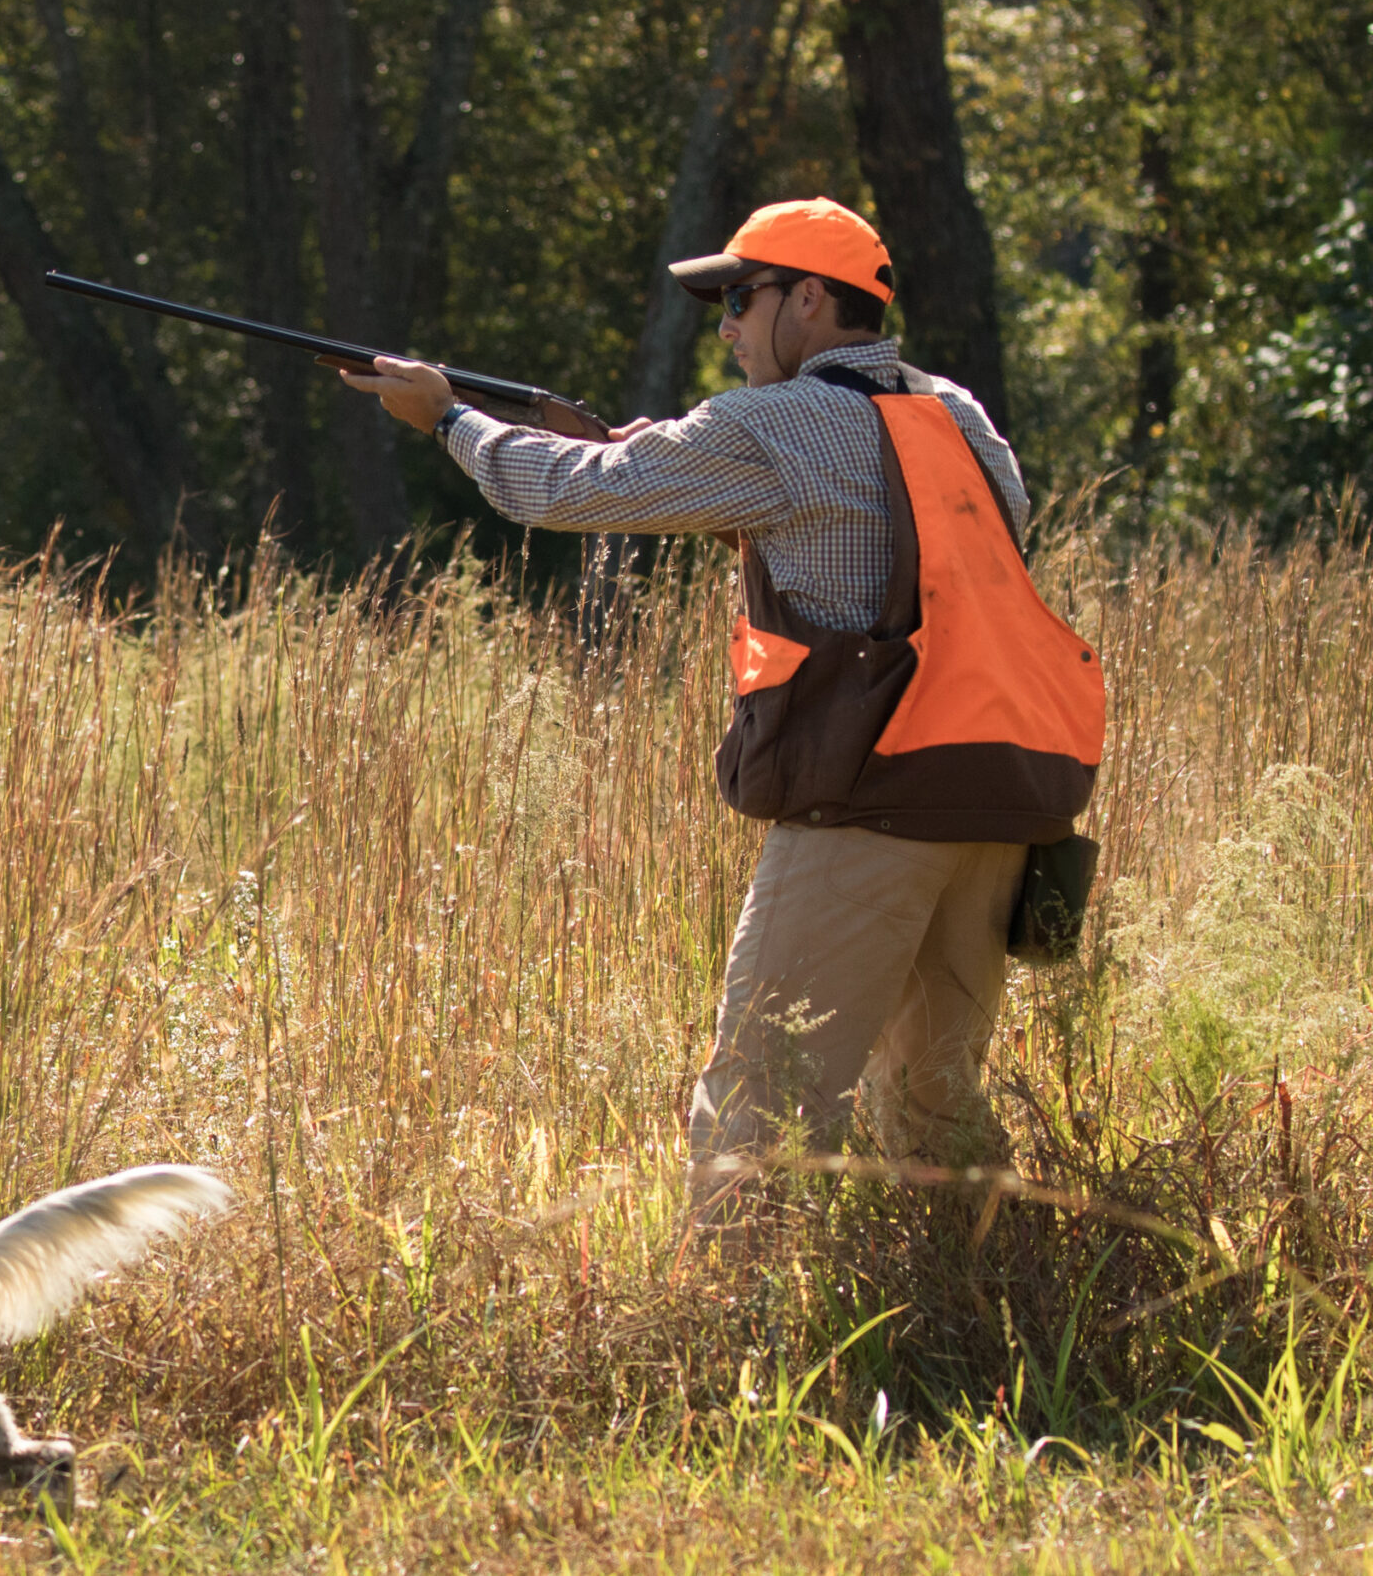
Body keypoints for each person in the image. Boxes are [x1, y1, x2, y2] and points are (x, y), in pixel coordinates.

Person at [335, 197, 1102, 1220]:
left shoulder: (773, 423)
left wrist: (448, 419)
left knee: (760, 1106)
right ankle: (977, 1311)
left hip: (866, 806)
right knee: (934, 1102)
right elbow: (894, 564)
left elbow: (561, 493)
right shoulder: (959, 417)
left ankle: (750, 1344)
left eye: (743, 297)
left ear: (814, 302)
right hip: (1002, 803)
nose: (729, 324)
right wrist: (689, 475)